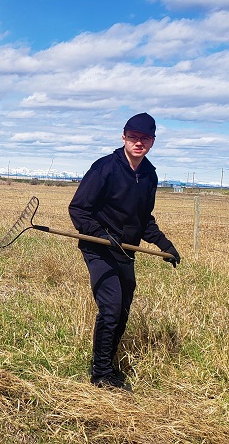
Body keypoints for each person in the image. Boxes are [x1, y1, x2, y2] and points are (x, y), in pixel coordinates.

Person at [68, 112, 181, 391]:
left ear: (152, 141)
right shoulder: (104, 168)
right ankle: (101, 374)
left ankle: (108, 364)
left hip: (125, 252)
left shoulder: (149, 175)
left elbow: (144, 221)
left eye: (144, 138)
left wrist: (164, 245)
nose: (138, 142)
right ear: (123, 136)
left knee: (122, 311)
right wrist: (101, 235)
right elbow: (78, 209)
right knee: (110, 308)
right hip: (99, 248)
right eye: (133, 137)